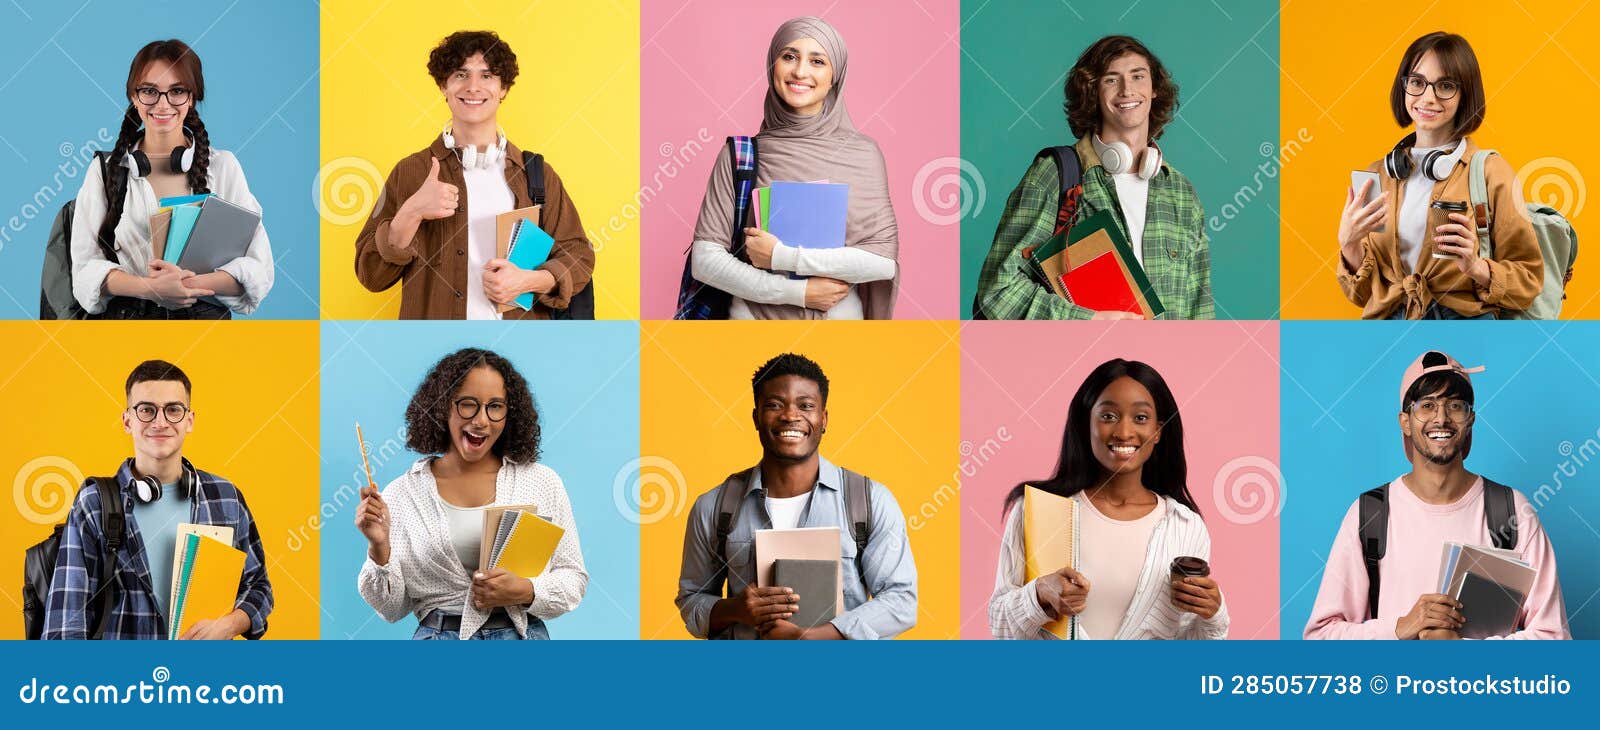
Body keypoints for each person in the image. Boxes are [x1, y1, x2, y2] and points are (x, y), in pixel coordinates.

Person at [1303, 351, 1569, 639]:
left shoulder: (1512, 511)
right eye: (1427, 405)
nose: (1441, 418)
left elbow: (1555, 636)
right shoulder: (1370, 513)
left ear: (1470, 419)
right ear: (1405, 421)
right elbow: (1320, 637)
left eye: (1455, 406)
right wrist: (1398, 628)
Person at [354, 30, 594, 320]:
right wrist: (412, 212)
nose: (473, 87)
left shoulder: (536, 174)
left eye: (487, 75)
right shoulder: (411, 171)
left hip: (519, 340)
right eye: (461, 75)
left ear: (503, 89)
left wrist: (529, 281)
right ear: (443, 86)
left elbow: (579, 255)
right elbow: (371, 276)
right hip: (437, 341)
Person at [676, 353, 916, 639]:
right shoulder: (714, 507)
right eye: (774, 405)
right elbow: (691, 600)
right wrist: (736, 609)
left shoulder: (869, 501)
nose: (790, 416)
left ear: (823, 419)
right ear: (756, 417)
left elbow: (901, 600)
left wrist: (811, 638)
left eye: (806, 405)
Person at [975, 36, 1212, 320]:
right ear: (1093, 92)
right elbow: (998, 292)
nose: (1127, 90)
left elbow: (1200, 313)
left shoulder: (1181, 193)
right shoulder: (1055, 174)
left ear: (1154, 90)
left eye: (1138, 76)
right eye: (1111, 80)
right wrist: (1089, 322)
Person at [356, 348, 586, 639]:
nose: (481, 420)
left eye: (495, 406)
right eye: (468, 404)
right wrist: (379, 547)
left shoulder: (541, 482)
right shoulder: (403, 494)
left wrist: (526, 590)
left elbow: (573, 578)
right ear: (443, 407)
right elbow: (391, 609)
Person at [988, 359, 1227, 639]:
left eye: (1140, 418)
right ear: (1086, 424)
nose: (1123, 432)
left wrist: (1213, 615)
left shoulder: (1185, 526)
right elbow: (999, 626)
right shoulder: (1037, 511)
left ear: (1158, 431)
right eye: (1108, 416)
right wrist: (1039, 594)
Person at [42, 360, 273, 639]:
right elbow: (66, 622)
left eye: (173, 409)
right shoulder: (94, 503)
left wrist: (230, 624)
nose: (160, 422)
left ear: (189, 420)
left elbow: (258, 585)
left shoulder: (225, 498)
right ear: (127, 421)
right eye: (146, 410)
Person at [687, 16, 899, 320]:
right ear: (772, 65)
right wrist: (798, 293)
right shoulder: (741, 156)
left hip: (839, 331)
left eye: (817, 61)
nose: (800, 71)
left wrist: (782, 257)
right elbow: (705, 261)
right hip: (750, 328)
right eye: (789, 57)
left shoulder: (863, 155)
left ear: (835, 75)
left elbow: (882, 263)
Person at [1336, 32, 1542, 320]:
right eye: (1417, 82)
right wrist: (1349, 243)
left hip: (1465, 325)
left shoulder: (1490, 172)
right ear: (1404, 86)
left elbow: (1529, 280)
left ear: (1465, 94)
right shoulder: (1377, 175)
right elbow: (1361, 295)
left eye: (1445, 86)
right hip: (1391, 324)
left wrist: (1476, 267)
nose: (1428, 98)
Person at [70, 39, 275, 319]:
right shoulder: (105, 170)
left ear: (192, 98)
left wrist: (186, 285)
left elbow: (258, 269)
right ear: (134, 97)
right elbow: (84, 271)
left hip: (204, 327)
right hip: (128, 326)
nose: (163, 104)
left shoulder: (224, 166)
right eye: (149, 91)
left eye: (177, 91)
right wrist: (150, 288)